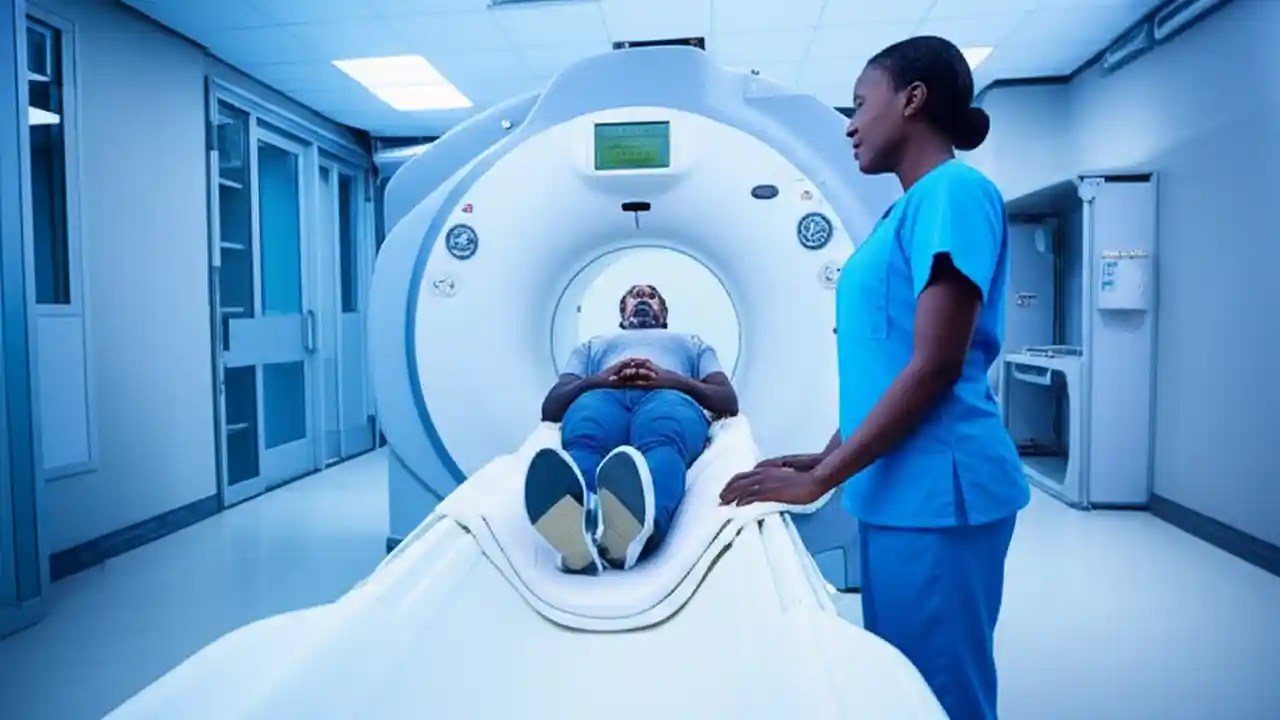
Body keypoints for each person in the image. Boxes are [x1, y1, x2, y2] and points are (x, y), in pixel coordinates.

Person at [719, 36, 1029, 720]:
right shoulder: (906, 211)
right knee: (900, 688)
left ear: (913, 99)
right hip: (899, 491)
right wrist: (827, 454)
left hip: (940, 494)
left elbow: (936, 364)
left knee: (939, 696)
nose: (850, 124)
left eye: (860, 104)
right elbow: (888, 362)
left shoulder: (953, 192)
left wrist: (822, 480)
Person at [525, 284, 739, 574]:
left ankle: (635, 532)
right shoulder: (592, 346)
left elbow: (726, 400)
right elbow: (552, 407)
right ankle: (577, 523)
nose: (642, 297)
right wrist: (598, 379)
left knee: (664, 437)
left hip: (668, 395)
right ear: (622, 313)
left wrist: (669, 379)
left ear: (664, 314)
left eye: (651, 295)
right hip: (601, 395)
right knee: (587, 438)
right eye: (633, 295)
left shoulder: (692, 344)